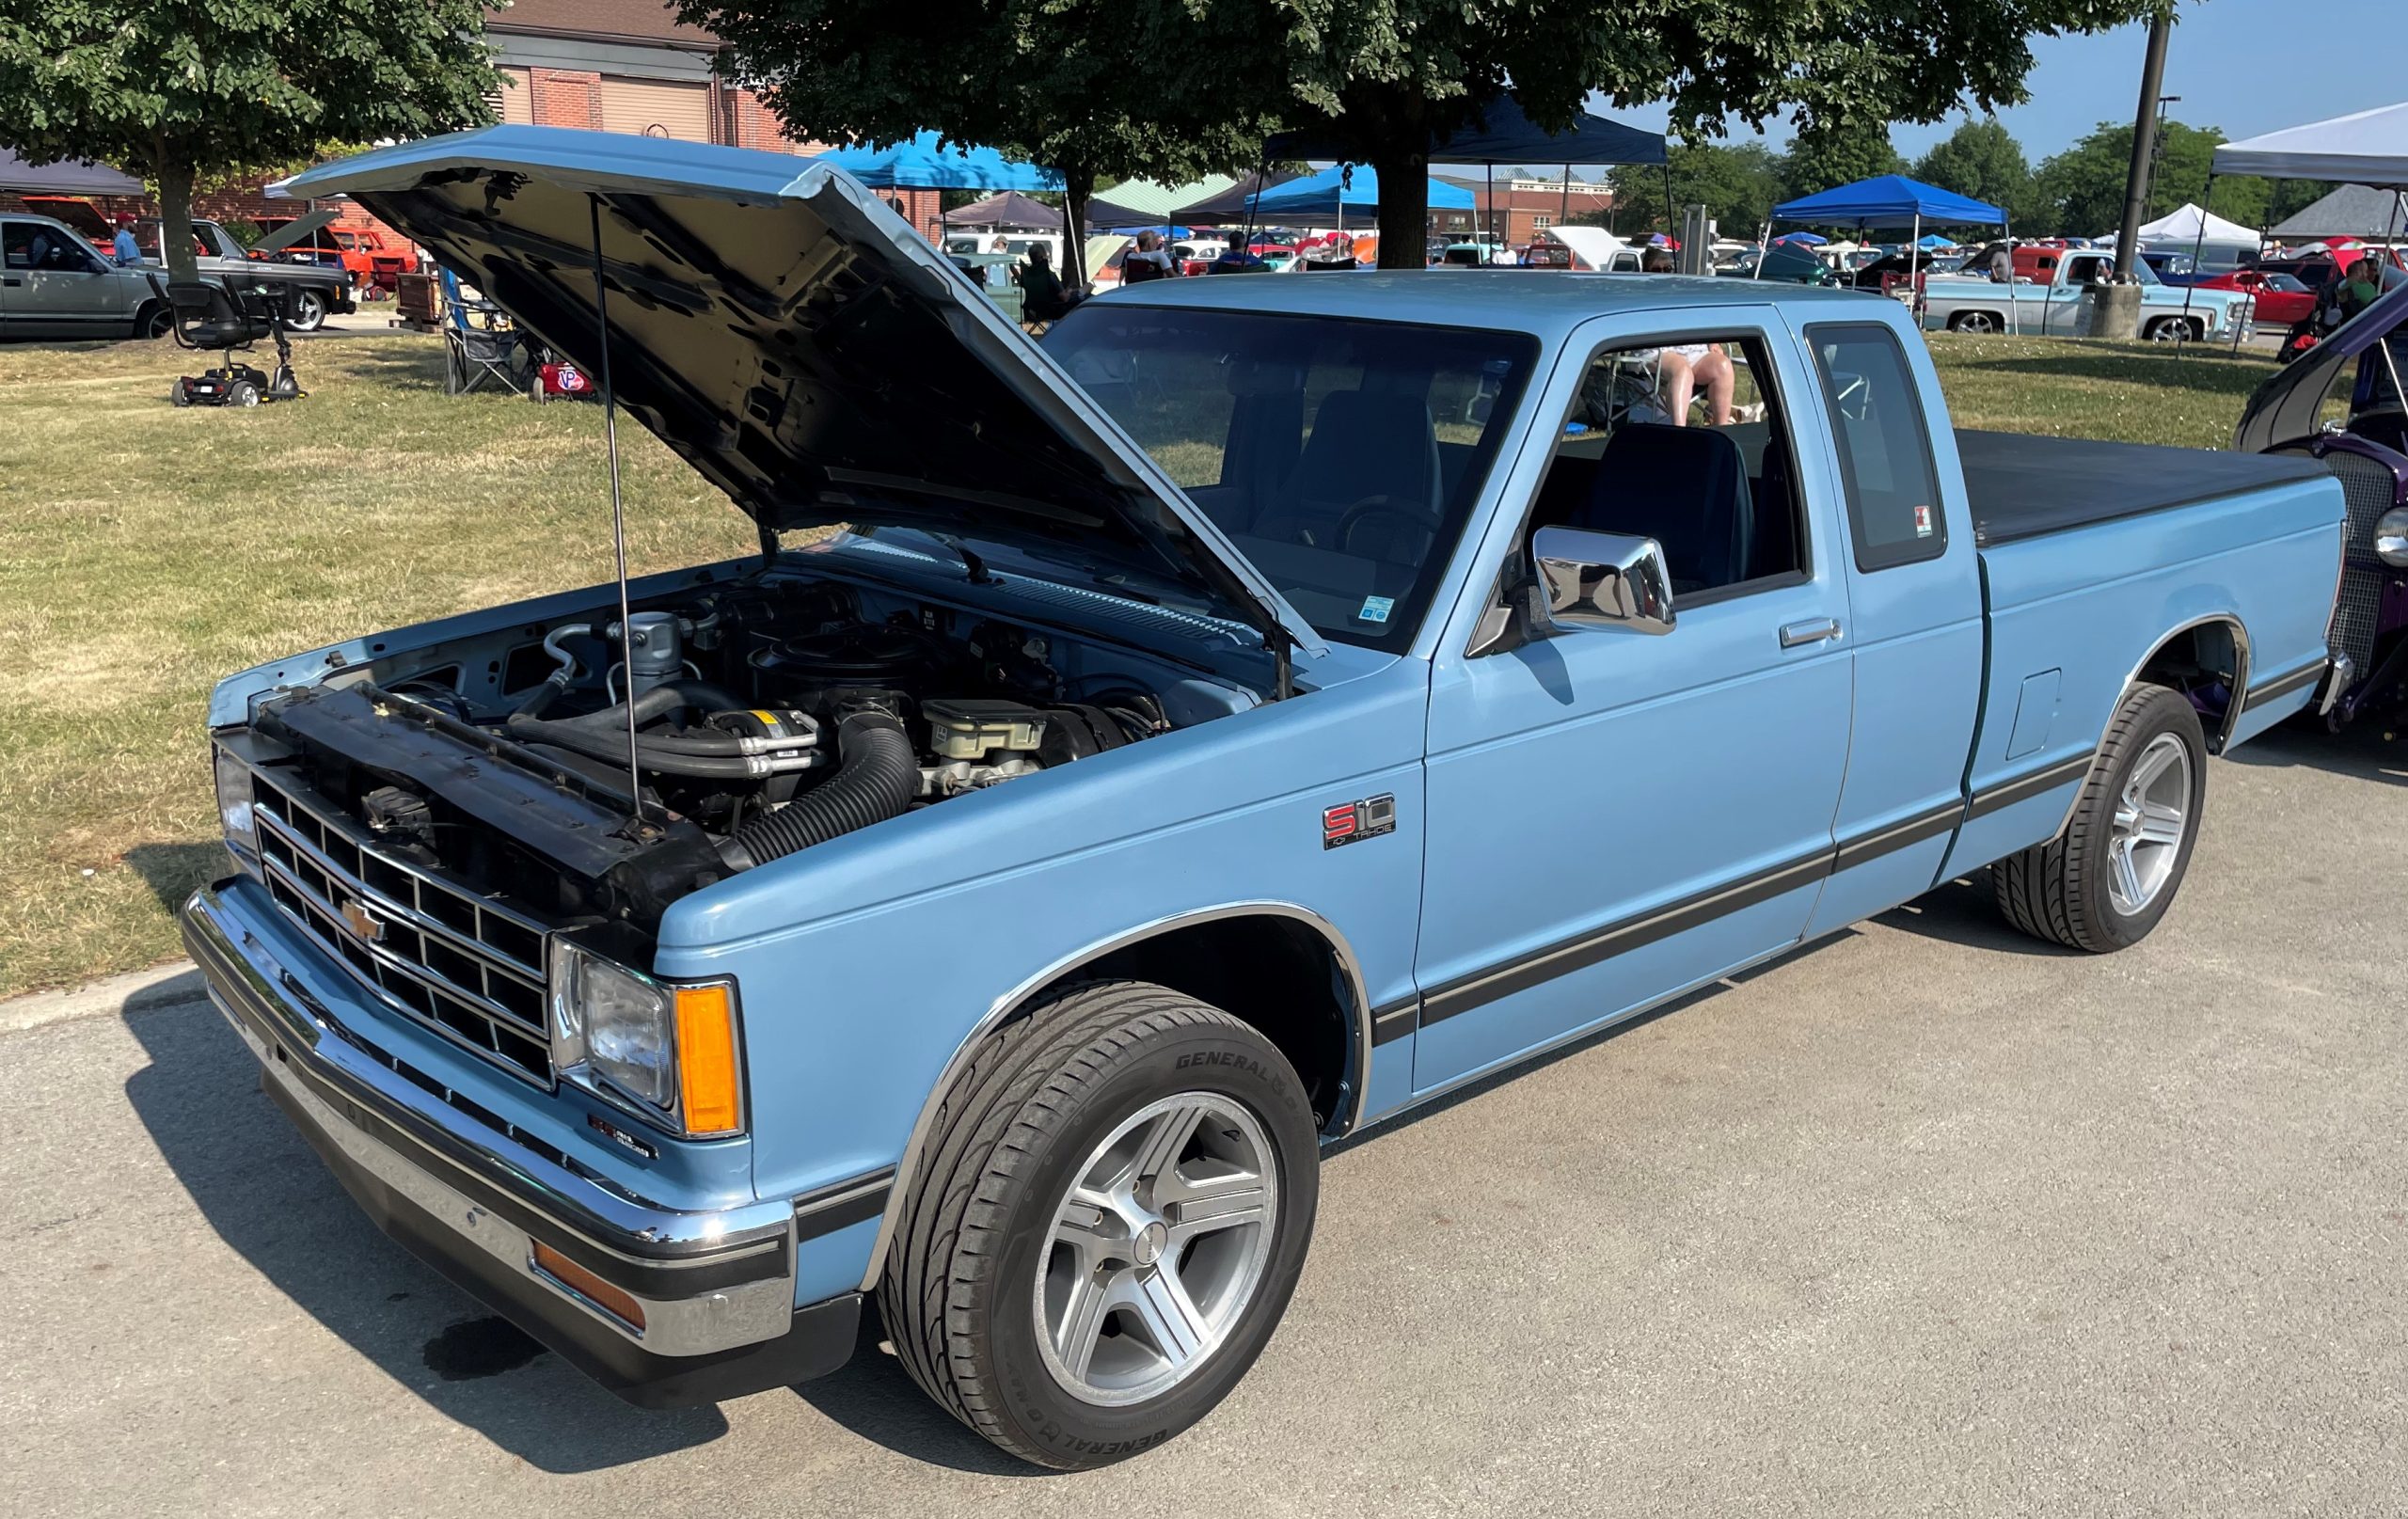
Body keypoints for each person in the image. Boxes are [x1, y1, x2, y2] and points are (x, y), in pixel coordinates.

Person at [1637, 247, 1735, 427]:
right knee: (1682, 369)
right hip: (1656, 350)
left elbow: (1704, 320)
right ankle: (1679, 430)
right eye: (1656, 270)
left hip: (1691, 350)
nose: (1663, 274)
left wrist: (1713, 341)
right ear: (1645, 271)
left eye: (1667, 269)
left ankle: (1721, 427)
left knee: (1723, 366)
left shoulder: (1682, 291)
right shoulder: (1640, 295)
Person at [1013, 241, 1074, 322]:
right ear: (1043, 257)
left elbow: (1021, 282)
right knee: (1083, 297)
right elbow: (1064, 298)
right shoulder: (1049, 276)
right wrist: (1070, 291)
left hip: (1033, 310)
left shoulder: (1028, 276)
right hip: (1053, 310)